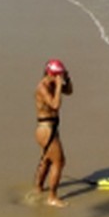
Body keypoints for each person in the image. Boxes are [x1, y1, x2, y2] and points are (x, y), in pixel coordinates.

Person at [35, 59, 73, 206]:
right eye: (59, 75)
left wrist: (67, 79)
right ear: (51, 74)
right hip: (45, 129)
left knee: (46, 160)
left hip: (51, 128)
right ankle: (52, 197)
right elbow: (55, 105)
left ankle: (38, 188)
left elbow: (69, 91)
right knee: (59, 161)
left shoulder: (51, 84)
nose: (60, 78)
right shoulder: (43, 87)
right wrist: (58, 85)